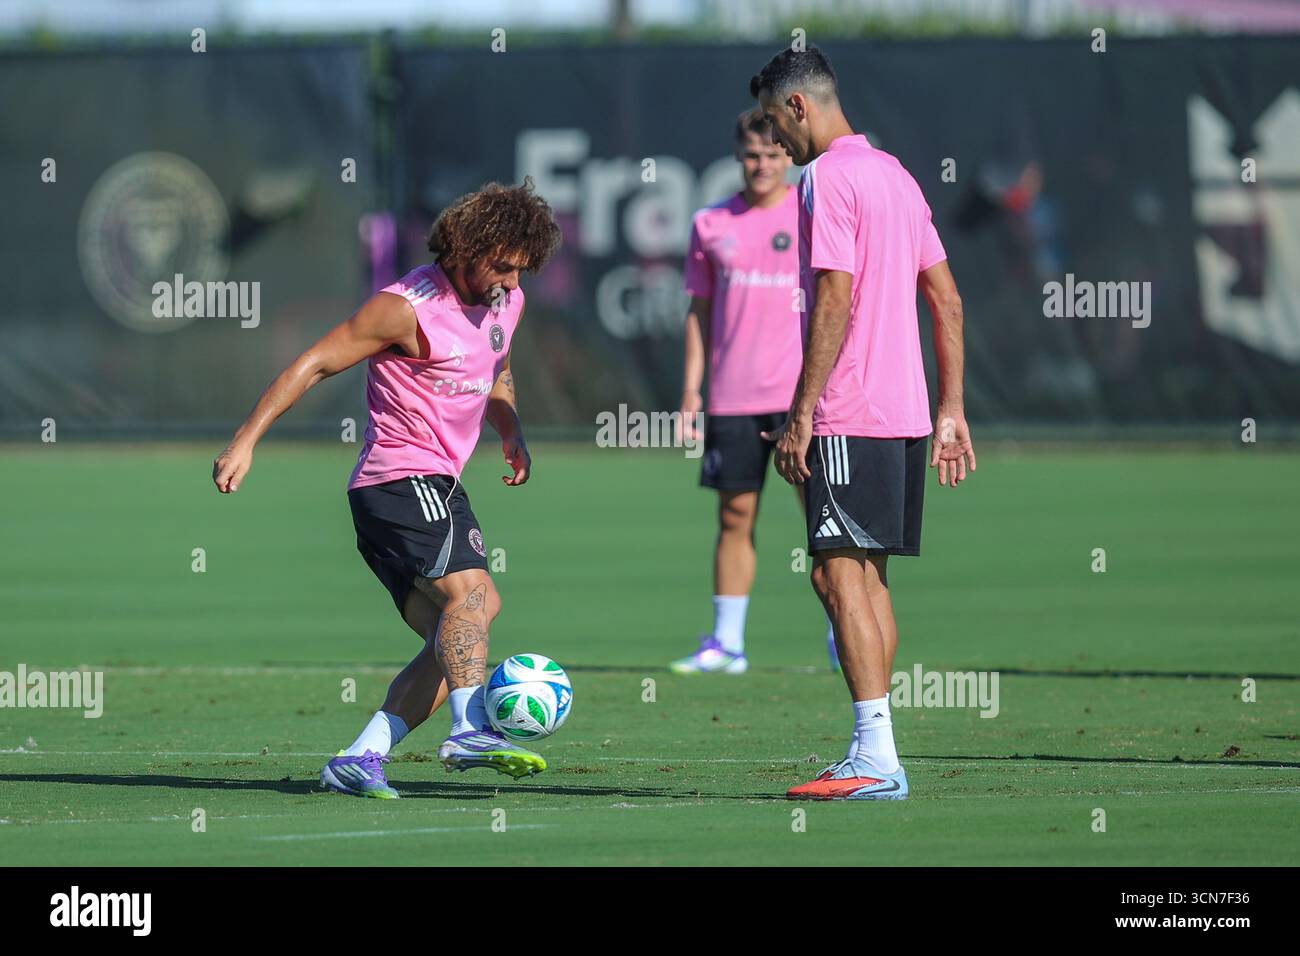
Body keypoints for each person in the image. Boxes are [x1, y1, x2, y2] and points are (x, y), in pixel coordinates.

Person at [212, 180, 562, 798]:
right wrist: (245, 440)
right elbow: (314, 363)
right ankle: (471, 728)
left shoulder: (509, 301)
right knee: (476, 597)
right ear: (466, 245)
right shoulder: (406, 307)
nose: (511, 279)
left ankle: (361, 756)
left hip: (423, 488)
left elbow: (498, 367)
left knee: (452, 636)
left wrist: (510, 429)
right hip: (403, 478)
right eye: (502, 265)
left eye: (521, 268)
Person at [750, 47, 977, 800]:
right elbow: (945, 299)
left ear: (797, 108)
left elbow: (837, 298)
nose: (779, 149)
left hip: (850, 411)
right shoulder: (897, 176)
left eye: (777, 132)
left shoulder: (827, 179)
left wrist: (803, 411)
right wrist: (951, 410)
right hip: (907, 414)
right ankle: (876, 748)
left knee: (835, 573)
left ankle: (876, 757)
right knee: (865, 581)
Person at [670, 107, 840, 675]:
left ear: (788, 156)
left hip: (804, 399)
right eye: (751, 154)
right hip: (733, 399)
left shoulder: (814, 211)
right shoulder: (710, 224)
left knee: (825, 520)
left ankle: (845, 632)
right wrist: (692, 391)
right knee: (735, 516)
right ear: (737, 155)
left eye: (772, 153)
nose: (762, 163)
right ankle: (727, 643)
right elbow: (698, 311)